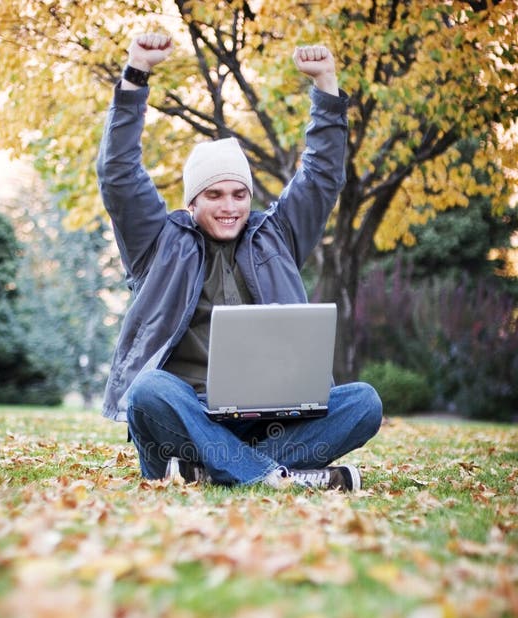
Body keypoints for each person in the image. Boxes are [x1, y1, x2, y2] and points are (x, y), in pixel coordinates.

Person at [97, 32, 382, 490]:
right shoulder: (157, 242)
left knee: (363, 402)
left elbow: (322, 176)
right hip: (184, 419)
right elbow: (118, 173)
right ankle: (274, 474)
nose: (229, 206)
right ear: (192, 202)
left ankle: (216, 473)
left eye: (239, 194)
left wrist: (326, 86)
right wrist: (136, 75)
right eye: (214, 195)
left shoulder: (277, 236)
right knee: (149, 390)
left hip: (269, 420)